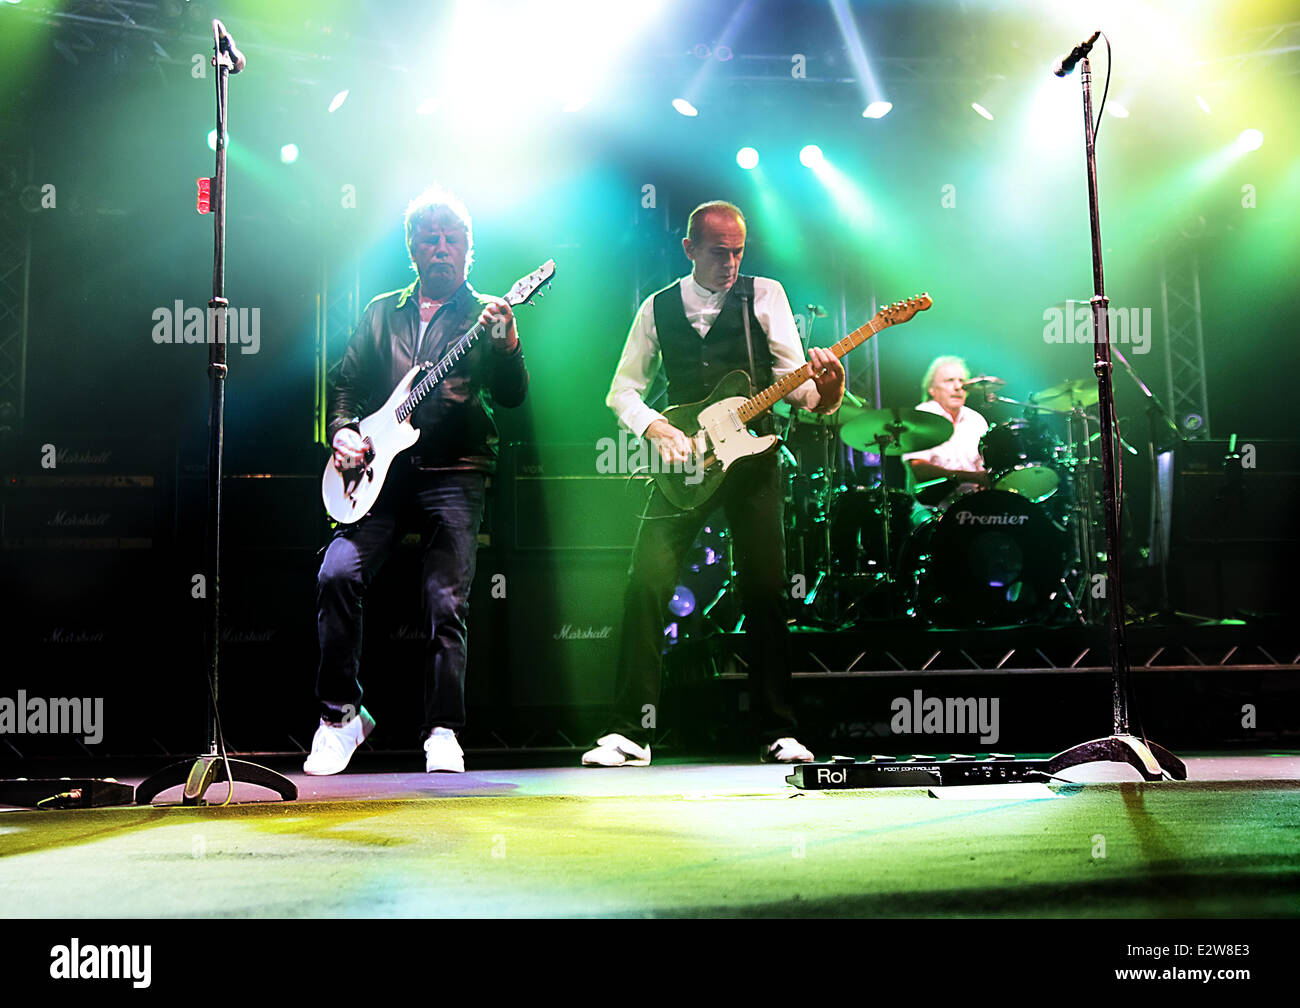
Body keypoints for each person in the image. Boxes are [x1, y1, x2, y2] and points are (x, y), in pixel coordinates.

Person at [584, 200, 845, 768]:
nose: (730, 262)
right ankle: (630, 732)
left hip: (752, 462)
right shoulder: (656, 308)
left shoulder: (765, 294)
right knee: (645, 585)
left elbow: (798, 390)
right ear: (689, 248)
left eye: (738, 251)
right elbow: (622, 391)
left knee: (766, 590)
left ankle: (778, 730)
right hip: (686, 464)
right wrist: (654, 426)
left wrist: (831, 385)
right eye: (718, 251)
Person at [306, 186, 528, 776]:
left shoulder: (483, 318)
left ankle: (442, 730)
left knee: (444, 600)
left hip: (454, 472)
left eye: (453, 239)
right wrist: (344, 432)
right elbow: (347, 382)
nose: (441, 248)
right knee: (336, 573)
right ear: (411, 248)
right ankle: (340, 718)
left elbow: (510, 398)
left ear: (469, 251)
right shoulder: (383, 311)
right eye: (429, 239)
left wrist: (507, 344)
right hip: (380, 473)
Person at [903, 355, 990, 507]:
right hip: (931, 508)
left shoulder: (976, 420)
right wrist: (973, 477)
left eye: (962, 381)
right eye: (949, 381)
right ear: (932, 389)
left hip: (973, 506)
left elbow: (986, 468)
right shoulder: (921, 416)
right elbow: (919, 469)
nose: (958, 387)